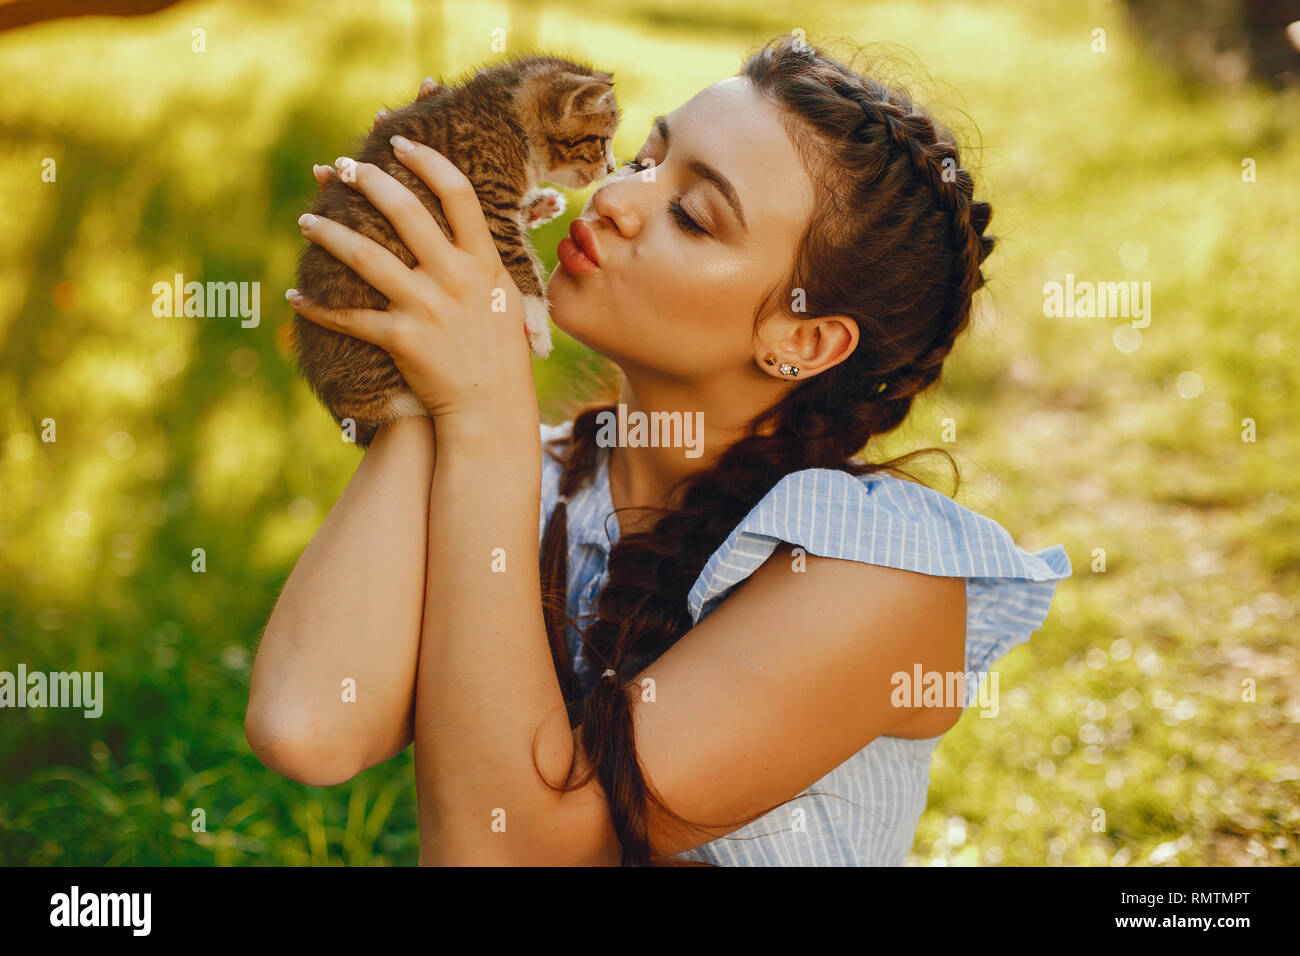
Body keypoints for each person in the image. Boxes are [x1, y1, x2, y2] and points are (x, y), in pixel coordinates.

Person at [247, 33, 1072, 866]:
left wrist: (484, 407)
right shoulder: (524, 474)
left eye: (691, 215)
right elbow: (308, 725)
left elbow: (516, 851)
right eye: (645, 159)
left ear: (806, 337)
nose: (615, 199)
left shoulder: (878, 575)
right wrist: (420, 354)